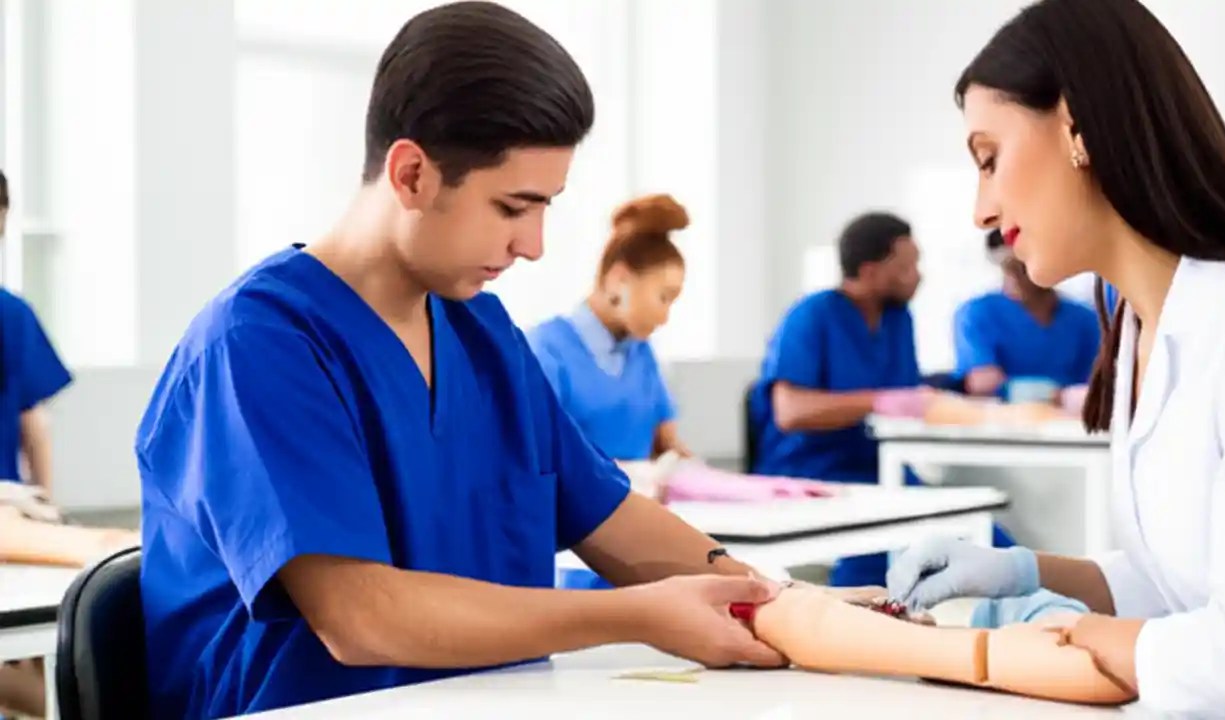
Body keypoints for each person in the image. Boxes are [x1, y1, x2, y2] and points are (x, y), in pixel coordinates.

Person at [136, 5, 786, 718]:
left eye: (546, 208)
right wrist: (638, 615)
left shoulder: (481, 330)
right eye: (513, 206)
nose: (534, 243)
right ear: (412, 173)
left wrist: (775, 601)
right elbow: (361, 617)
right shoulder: (260, 343)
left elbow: (611, 519)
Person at [887, 0, 1225, 715]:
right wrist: (1025, 573)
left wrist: (1067, 635)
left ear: (1076, 127)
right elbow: (1178, 587)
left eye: (989, 159)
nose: (980, 209)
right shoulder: (1136, 331)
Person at [748, 212, 935, 587]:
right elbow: (789, 411)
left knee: (977, 534)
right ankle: (848, 623)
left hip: (878, 467)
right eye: (906, 266)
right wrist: (876, 401)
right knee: (881, 542)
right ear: (868, 272)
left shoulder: (899, 320)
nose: (918, 275)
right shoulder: (810, 316)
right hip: (808, 469)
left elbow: (907, 396)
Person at [527, 193, 692, 462]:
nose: (664, 318)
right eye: (663, 298)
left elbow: (669, 446)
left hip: (638, 497)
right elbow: (537, 454)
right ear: (619, 279)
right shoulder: (546, 350)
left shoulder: (641, 354)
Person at [953, 228, 1100, 399]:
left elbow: (1097, 381)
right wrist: (1051, 395)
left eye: (1022, 266)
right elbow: (982, 381)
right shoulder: (976, 313)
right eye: (1009, 267)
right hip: (1000, 419)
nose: (1016, 276)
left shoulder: (1083, 319)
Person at [0, 170, 73, 490]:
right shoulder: (10, 314)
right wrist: (46, 508)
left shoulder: (11, 315)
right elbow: (34, 427)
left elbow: (33, 425)